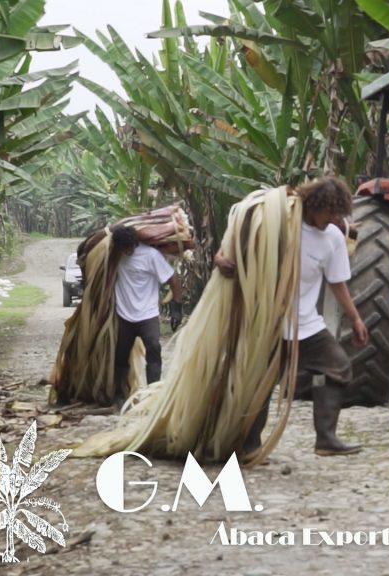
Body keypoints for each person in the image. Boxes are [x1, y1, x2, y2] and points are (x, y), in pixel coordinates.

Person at [215, 176, 369, 457]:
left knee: (338, 366)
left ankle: (326, 439)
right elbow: (236, 242)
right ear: (313, 205)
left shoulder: (333, 237)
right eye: (330, 212)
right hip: (266, 323)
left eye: (339, 214)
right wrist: (219, 257)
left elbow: (337, 282)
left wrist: (356, 319)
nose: (334, 219)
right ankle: (248, 446)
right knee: (259, 382)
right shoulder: (278, 223)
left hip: (306, 325)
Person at [111, 226, 183, 408]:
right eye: (124, 248)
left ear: (135, 243)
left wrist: (176, 307)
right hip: (124, 315)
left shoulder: (150, 256)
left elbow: (172, 278)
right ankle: (119, 395)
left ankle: (152, 393)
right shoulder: (115, 255)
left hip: (148, 314)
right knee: (120, 355)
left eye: (130, 247)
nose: (128, 251)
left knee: (153, 348)